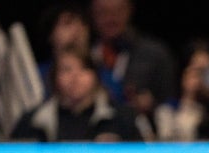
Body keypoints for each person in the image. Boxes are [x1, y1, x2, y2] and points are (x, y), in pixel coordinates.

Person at [11, 45, 144, 142]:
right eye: (66, 70)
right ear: (55, 78)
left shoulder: (122, 118)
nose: (75, 77)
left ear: (95, 77)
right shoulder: (32, 122)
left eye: (84, 69)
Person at [88, 0, 178, 125]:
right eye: (103, 12)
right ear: (92, 14)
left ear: (129, 10)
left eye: (117, 11)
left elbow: (172, 102)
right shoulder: (85, 56)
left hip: (144, 136)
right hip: (93, 136)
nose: (110, 18)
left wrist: (153, 105)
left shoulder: (155, 54)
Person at [35, 1, 95, 96]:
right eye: (68, 23)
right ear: (50, 34)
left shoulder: (102, 75)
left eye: (83, 23)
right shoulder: (36, 76)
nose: (78, 29)